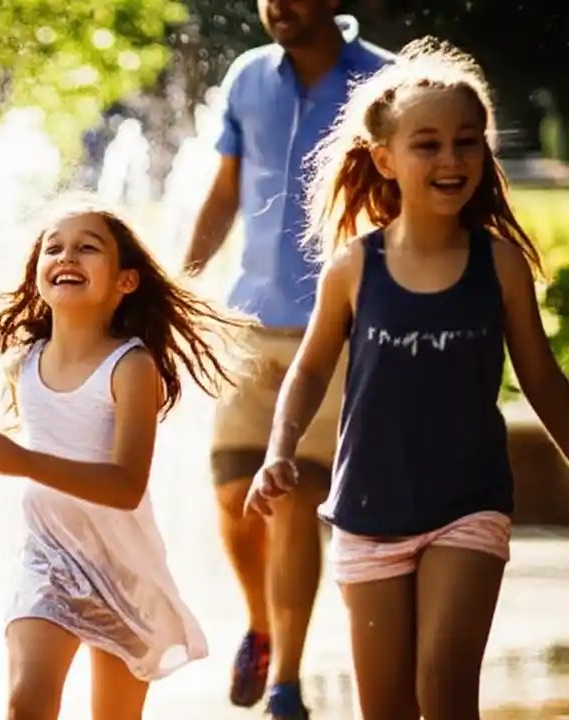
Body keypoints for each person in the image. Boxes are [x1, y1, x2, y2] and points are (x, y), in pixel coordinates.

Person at [244, 37, 569, 720]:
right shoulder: (354, 269)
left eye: (468, 141)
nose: (452, 159)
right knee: (386, 707)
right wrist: (279, 451)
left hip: (468, 505)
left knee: (444, 684)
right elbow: (307, 371)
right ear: (385, 159)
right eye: (428, 144)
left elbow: (542, 379)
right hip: (369, 513)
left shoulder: (500, 266)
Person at [0, 201, 251, 719]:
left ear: (126, 282)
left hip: (121, 567)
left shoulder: (131, 367)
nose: (67, 255)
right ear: (38, 274)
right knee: (26, 702)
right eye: (54, 247)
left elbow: (126, 486)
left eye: (87, 247)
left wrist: (24, 462)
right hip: (48, 556)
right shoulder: (24, 361)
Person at [181, 2, 392, 715]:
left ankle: (286, 683)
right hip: (247, 320)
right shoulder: (248, 79)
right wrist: (175, 289)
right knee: (233, 496)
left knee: (297, 500)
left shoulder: (385, 83)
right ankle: (263, 627)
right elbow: (223, 195)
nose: (279, 6)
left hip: (336, 329)